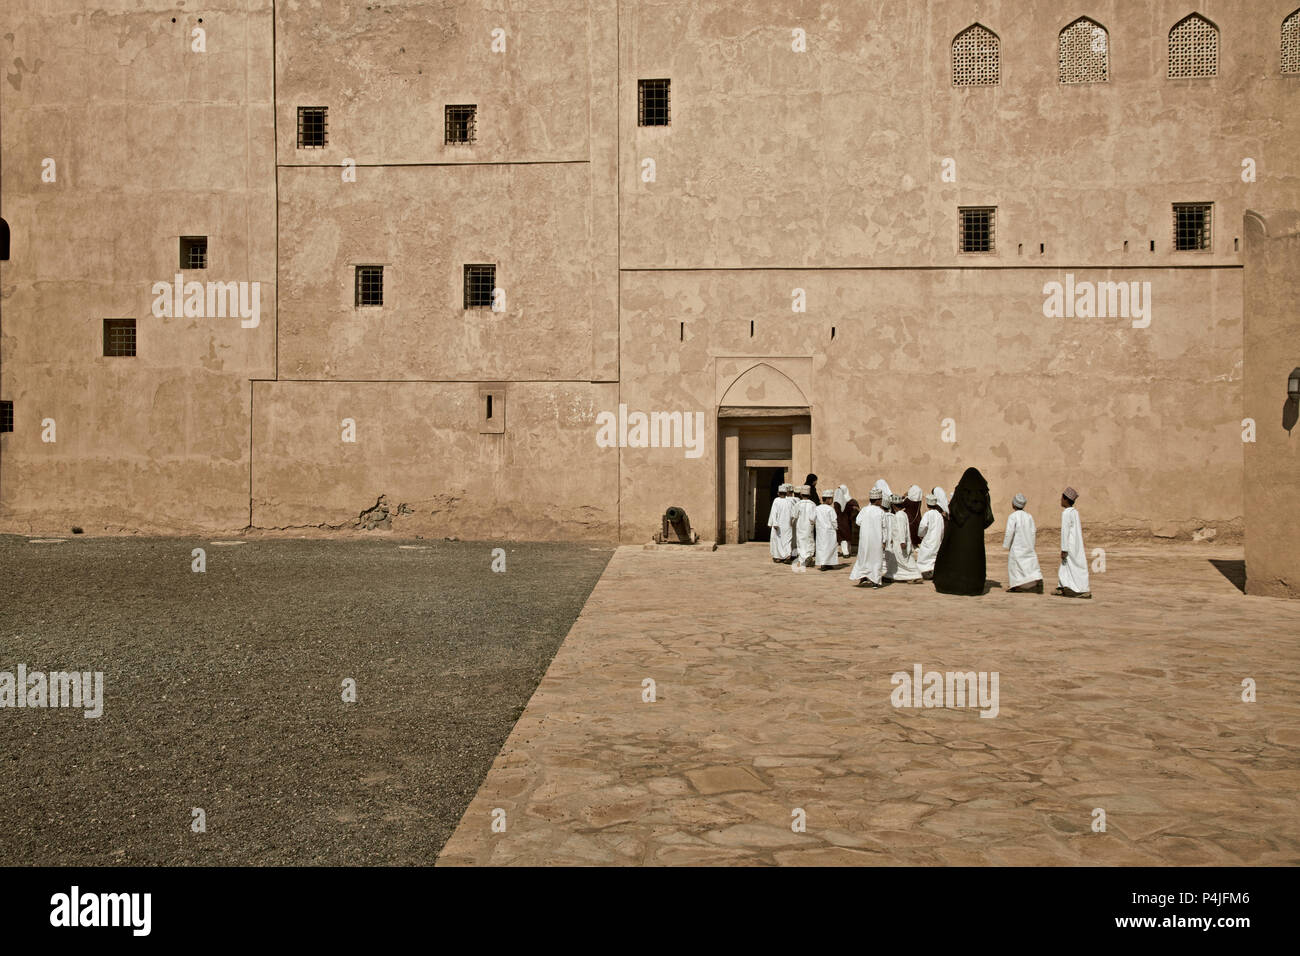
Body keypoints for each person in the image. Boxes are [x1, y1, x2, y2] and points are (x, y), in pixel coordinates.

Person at [932, 466, 994, 596]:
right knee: (972, 559)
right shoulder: (982, 496)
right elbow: (986, 518)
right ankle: (972, 586)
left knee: (956, 558)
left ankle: (954, 584)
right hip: (975, 536)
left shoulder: (960, 494)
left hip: (958, 535)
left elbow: (953, 511)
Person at [1055, 486, 1092, 598]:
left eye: (1062, 498)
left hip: (1070, 545)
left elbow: (1065, 532)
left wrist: (1064, 549)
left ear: (1066, 499)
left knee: (1074, 567)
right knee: (1065, 566)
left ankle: (1082, 589)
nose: (1060, 500)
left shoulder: (1066, 513)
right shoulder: (1075, 512)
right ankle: (1061, 587)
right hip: (1076, 544)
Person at [1003, 493, 1043, 593]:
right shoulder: (1029, 516)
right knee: (1030, 563)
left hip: (1017, 546)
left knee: (1015, 566)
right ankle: (1037, 578)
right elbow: (1033, 530)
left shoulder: (1012, 516)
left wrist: (1006, 545)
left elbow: (1009, 532)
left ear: (1014, 504)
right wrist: (1031, 543)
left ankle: (1015, 586)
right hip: (1028, 544)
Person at [849, 488, 888, 587]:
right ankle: (875, 581)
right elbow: (884, 528)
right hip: (876, 540)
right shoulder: (881, 512)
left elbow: (858, 522)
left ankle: (863, 577)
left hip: (865, 540)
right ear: (878, 500)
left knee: (864, 558)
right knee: (875, 560)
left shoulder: (864, 510)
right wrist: (884, 541)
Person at [890, 493, 923, 582]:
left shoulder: (899, 515)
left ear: (893, 505)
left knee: (905, 561)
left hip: (900, 543)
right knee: (903, 561)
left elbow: (901, 530)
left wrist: (902, 542)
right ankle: (900, 576)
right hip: (901, 542)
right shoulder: (903, 514)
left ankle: (915, 575)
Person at [917, 493, 945, 579]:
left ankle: (926, 572)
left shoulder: (928, 514)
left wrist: (921, 535)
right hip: (937, 539)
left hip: (928, 539)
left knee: (925, 556)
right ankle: (933, 570)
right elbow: (943, 528)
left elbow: (922, 526)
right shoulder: (939, 515)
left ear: (927, 504)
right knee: (934, 557)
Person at [793, 485, 817, 573]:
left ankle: (802, 558)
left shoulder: (798, 504)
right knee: (809, 540)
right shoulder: (813, 504)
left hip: (800, 526)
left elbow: (794, 516)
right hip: (809, 526)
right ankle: (808, 556)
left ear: (801, 494)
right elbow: (814, 517)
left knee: (800, 541)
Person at [814, 488, 840, 569]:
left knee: (821, 547)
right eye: (831, 499)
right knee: (829, 548)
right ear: (828, 499)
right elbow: (834, 520)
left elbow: (812, 518)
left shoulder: (817, 508)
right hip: (829, 532)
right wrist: (836, 527)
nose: (832, 500)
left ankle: (824, 563)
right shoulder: (830, 509)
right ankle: (826, 563)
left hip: (820, 531)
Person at [767, 483, 794, 563]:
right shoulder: (789, 501)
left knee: (777, 541)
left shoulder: (776, 500)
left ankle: (778, 557)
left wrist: (772, 523)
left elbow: (773, 512)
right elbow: (793, 514)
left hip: (778, 525)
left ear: (778, 493)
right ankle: (787, 556)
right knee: (787, 541)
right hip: (787, 525)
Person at [833, 484, 857, 556]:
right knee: (847, 536)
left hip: (839, 521)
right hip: (847, 521)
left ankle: (845, 552)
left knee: (842, 537)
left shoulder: (836, 502)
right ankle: (847, 552)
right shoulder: (850, 501)